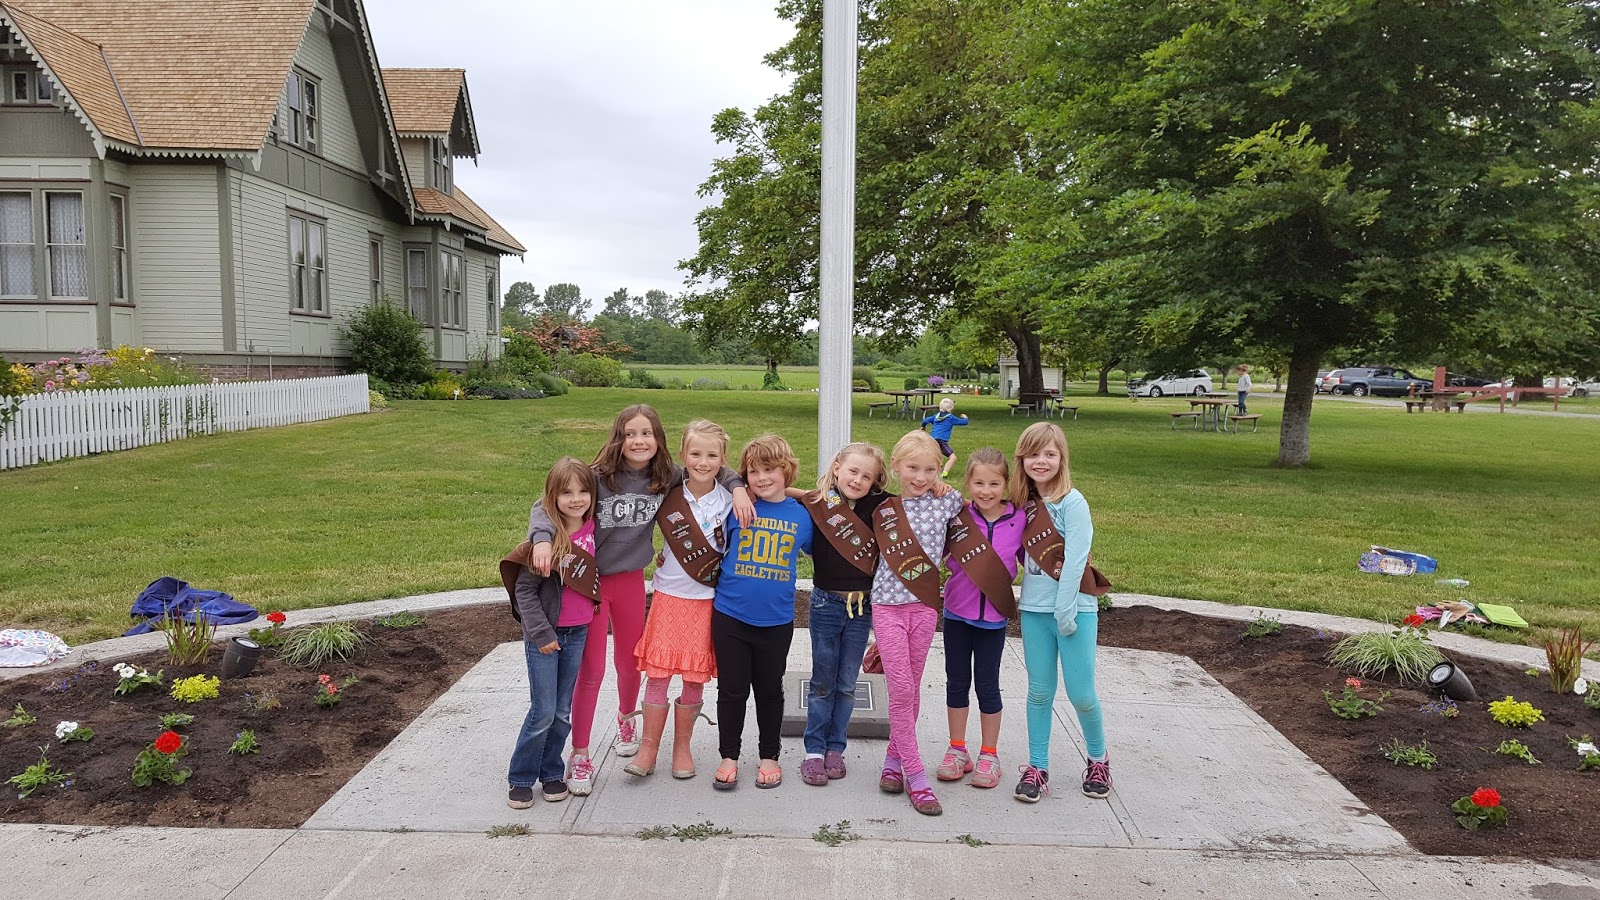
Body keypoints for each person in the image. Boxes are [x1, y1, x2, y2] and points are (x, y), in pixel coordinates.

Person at [525, 405, 753, 796]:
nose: (638, 441)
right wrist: (542, 539)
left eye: (646, 433)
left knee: (631, 663)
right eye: (630, 433)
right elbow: (547, 503)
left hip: (631, 581)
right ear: (618, 437)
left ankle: (627, 719)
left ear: (659, 439)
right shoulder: (597, 477)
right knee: (592, 670)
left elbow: (716, 469)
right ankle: (580, 753)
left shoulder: (666, 477)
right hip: (591, 584)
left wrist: (738, 488)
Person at [626, 420, 733, 779]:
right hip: (669, 595)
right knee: (657, 676)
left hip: (706, 598)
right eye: (695, 454)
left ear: (723, 459)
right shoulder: (668, 494)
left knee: (693, 678)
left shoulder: (730, 500)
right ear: (683, 455)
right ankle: (648, 748)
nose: (703, 462)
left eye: (712, 455)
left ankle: (682, 747)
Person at [1010, 421, 1110, 803]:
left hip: (1075, 611)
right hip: (1034, 611)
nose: (1041, 461)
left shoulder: (1073, 502)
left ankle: (1098, 760)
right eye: (1034, 454)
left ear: (1061, 458)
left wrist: (1065, 611)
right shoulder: (1022, 505)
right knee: (1039, 692)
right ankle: (1037, 767)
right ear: (1022, 459)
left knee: (1081, 694)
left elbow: (1075, 560)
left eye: (1049, 454)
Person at [711, 434, 814, 791]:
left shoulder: (802, 516)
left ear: (787, 471)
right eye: (753, 471)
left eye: (770, 470)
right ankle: (729, 755)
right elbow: (710, 476)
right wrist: (739, 489)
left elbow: (828, 525)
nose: (761, 478)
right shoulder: (735, 507)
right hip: (730, 614)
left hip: (776, 619)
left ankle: (769, 755)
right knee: (732, 689)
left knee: (770, 690)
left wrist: (802, 494)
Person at [872, 430, 964, 816]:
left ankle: (893, 761)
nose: (921, 477)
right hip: (887, 607)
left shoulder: (947, 502)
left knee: (912, 687)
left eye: (930, 470)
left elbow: (974, 510)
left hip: (925, 607)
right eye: (913, 468)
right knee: (901, 690)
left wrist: (947, 486)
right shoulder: (882, 508)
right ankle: (917, 776)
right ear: (896, 467)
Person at [792, 441, 892, 787]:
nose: (857, 480)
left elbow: (914, 499)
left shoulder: (879, 505)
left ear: (875, 481)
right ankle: (814, 751)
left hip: (862, 608)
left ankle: (836, 748)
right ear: (837, 468)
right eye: (852, 471)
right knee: (822, 682)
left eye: (866, 476)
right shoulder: (820, 503)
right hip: (825, 605)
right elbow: (787, 492)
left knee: (848, 683)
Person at [502, 457, 599, 808]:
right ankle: (521, 776)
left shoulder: (593, 529)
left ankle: (552, 771)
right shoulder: (546, 542)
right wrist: (541, 634)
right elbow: (524, 592)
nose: (576, 499)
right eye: (566, 493)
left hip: (578, 632)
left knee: (561, 711)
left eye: (583, 491)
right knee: (542, 710)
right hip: (545, 636)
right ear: (552, 497)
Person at [936, 448, 1024, 789]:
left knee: (988, 685)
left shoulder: (1019, 518)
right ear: (968, 483)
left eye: (994, 484)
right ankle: (957, 749)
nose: (986, 491)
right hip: (957, 614)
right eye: (979, 483)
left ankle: (989, 754)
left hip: (993, 619)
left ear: (1006, 484)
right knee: (956, 682)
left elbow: (1036, 555)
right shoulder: (957, 517)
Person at [921, 397, 970, 479]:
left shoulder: (936, 416)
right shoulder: (950, 418)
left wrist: (923, 427)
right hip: (941, 441)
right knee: (953, 457)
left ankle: (935, 472)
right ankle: (944, 474)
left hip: (932, 440)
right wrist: (965, 417)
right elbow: (964, 422)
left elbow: (925, 420)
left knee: (938, 456)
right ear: (951, 409)